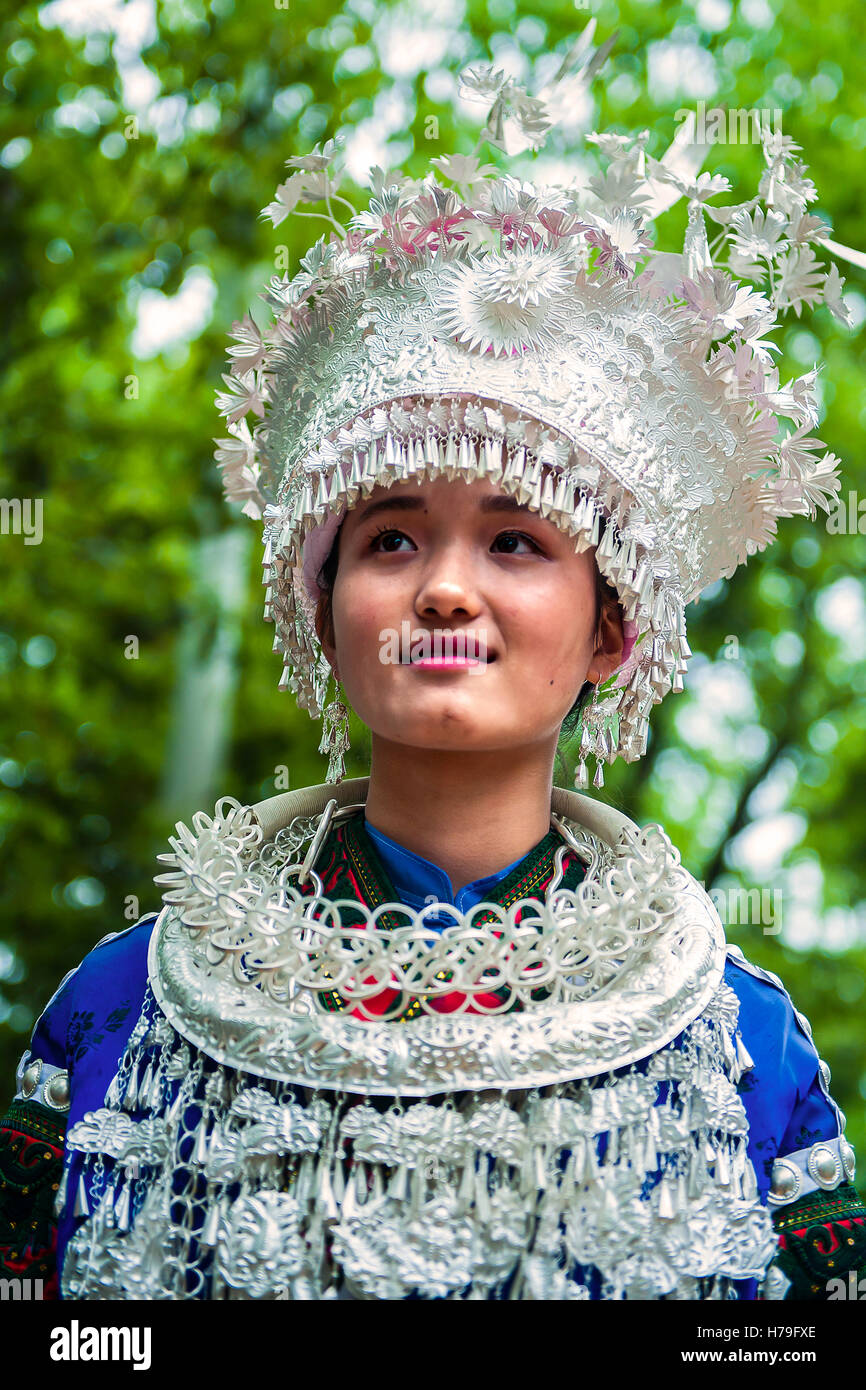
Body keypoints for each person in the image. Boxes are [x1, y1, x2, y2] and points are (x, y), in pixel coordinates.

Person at [3, 32, 864, 1301]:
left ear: (610, 630)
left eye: (515, 540)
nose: (446, 585)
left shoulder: (735, 1040)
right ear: (322, 599)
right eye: (391, 536)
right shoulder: (129, 1002)